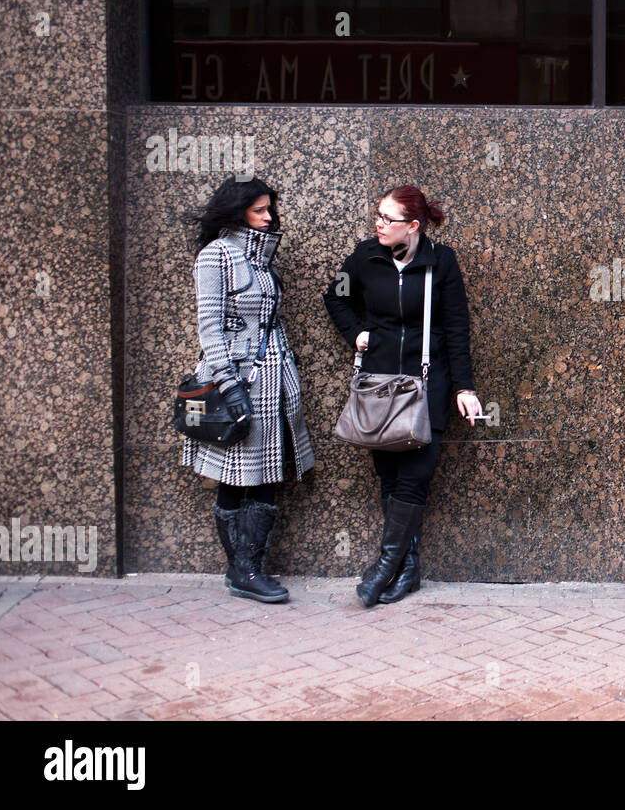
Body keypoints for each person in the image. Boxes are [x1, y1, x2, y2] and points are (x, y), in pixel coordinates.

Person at [323, 185, 483, 607]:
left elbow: (456, 327)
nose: (379, 223)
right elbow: (334, 297)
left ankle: (382, 568)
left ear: (412, 226)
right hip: (379, 385)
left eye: (388, 219)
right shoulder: (363, 257)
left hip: (427, 384)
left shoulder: (441, 263)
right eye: (377, 214)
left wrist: (465, 387)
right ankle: (408, 568)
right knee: (390, 478)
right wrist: (354, 332)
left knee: (413, 477)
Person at [183, 175, 315, 603]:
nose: (269, 216)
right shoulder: (215, 256)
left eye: (269, 209)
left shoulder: (261, 259)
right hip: (238, 381)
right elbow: (210, 330)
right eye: (260, 210)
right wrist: (229, 384)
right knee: (235, 476)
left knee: (264, 476)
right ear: (238, 210)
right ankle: (243, 571)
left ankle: (249, 568)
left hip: (272, 380)